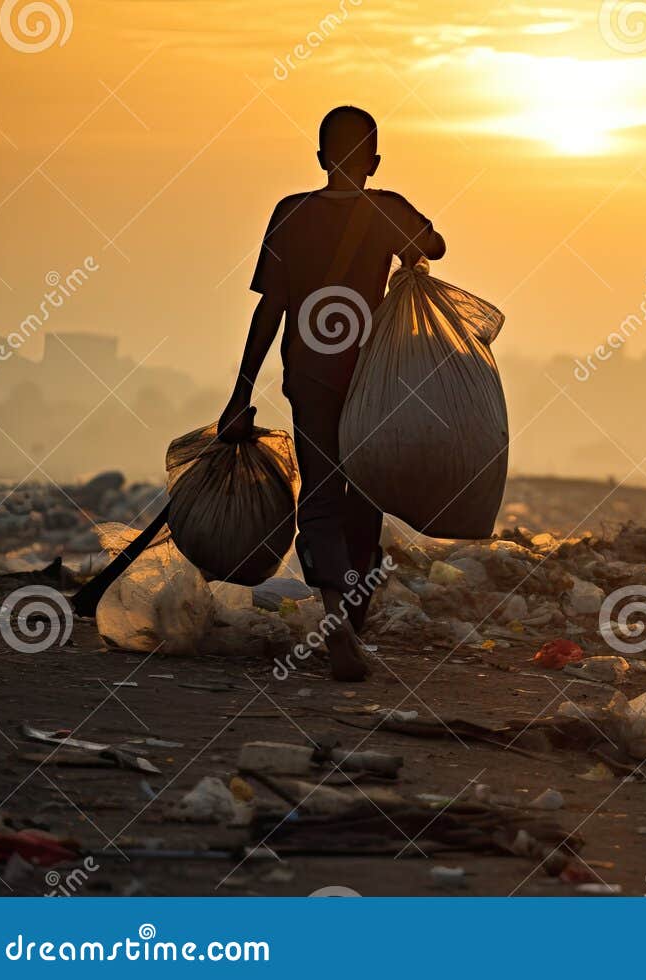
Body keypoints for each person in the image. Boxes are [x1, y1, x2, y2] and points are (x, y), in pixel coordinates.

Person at [218, 105, 445, 681]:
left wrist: (240, 393)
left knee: (318, 495)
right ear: (373, 160)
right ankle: (351, 618)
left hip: (310, 376)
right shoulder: (387, 210)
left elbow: (269, 309)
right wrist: (409, 236)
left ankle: (337, 617)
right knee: (365, 497)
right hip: (371, 379)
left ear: (320, 159)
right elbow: (436, 246)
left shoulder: (289, 214)